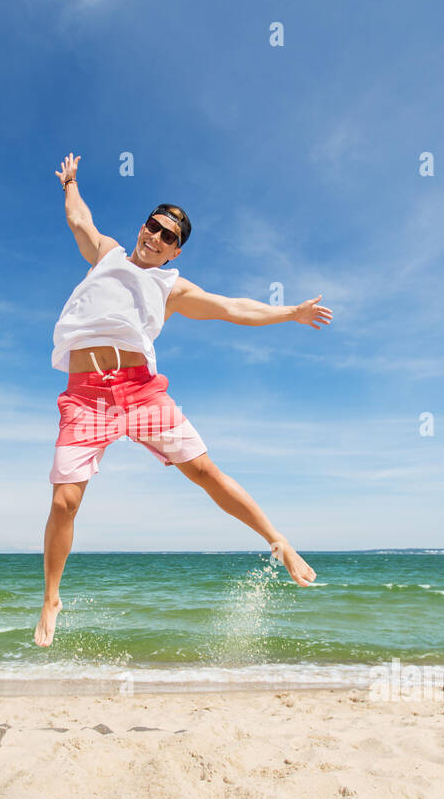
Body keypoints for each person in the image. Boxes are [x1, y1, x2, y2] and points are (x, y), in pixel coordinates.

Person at [36, 152, 332, 647]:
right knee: (65, 500)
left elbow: (234, 308)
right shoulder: (107, 255)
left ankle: (278, 542)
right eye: (153, 226)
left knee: (205, 472)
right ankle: (51, 596)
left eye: (168, 237)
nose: (156, 238)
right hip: (86, 396)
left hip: (138, 388)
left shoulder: (171, 286)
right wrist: (70, 183)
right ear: (143, 227)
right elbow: (78, 219)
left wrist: (291, 313)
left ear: (175, 252)